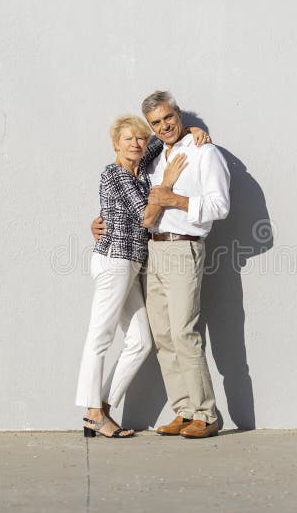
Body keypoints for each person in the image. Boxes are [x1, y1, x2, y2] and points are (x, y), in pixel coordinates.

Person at [92, 91, 230, 439]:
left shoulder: (203, 152)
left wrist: (175, 199)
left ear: (178, 114)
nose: (164, 126)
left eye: (168, 118)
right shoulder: (153, 158)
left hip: (184, 250)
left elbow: (220, 205)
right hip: (152, 252)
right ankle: (184, 411)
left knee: (184, 331)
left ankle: (206, 414)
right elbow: (132, 201)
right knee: (164, 336)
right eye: (156, 123)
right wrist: (100, 221)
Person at [76, 114, 191, 438]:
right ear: (116, 144)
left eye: (140, 139)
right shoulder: (115, 174)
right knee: (100, 336)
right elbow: (145, 214)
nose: (137, 143)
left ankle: (101, 408)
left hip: (130, 264)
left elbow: (160, 141)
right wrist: (166, 184)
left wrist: (190, 129)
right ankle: (93, 411)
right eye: (128, 139)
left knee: (140, 341)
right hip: (115, 261)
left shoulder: (137, 169)